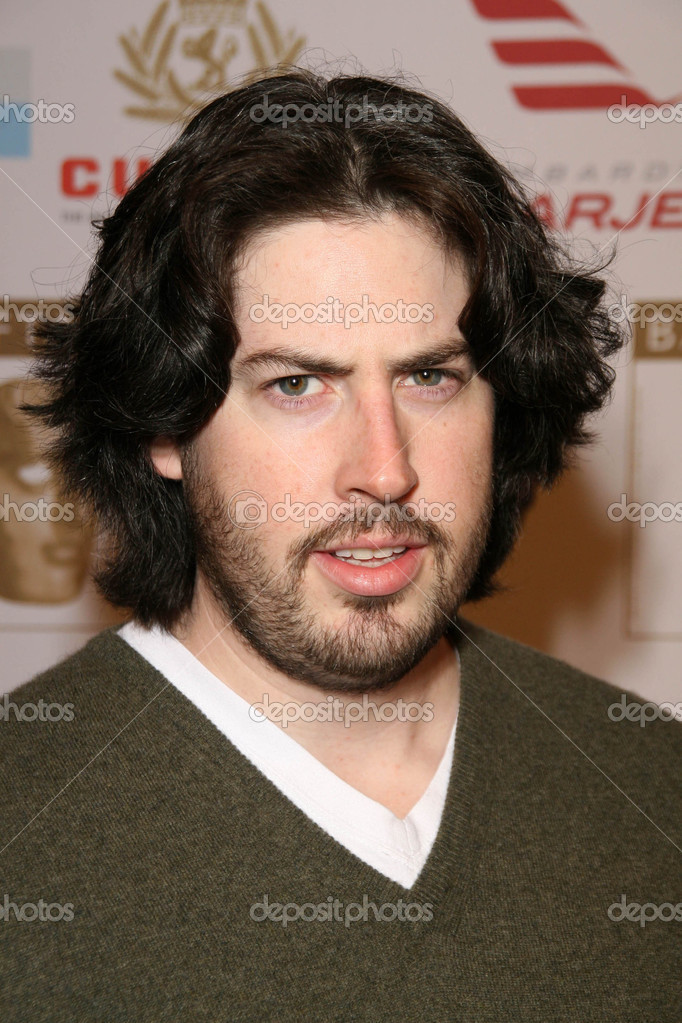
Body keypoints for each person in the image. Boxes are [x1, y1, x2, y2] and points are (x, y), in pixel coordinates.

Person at [1, 67, 679, 1021]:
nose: (384, 470)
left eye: (430, 378)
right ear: (164, 423)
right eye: (296, 386)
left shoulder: (652, 780)